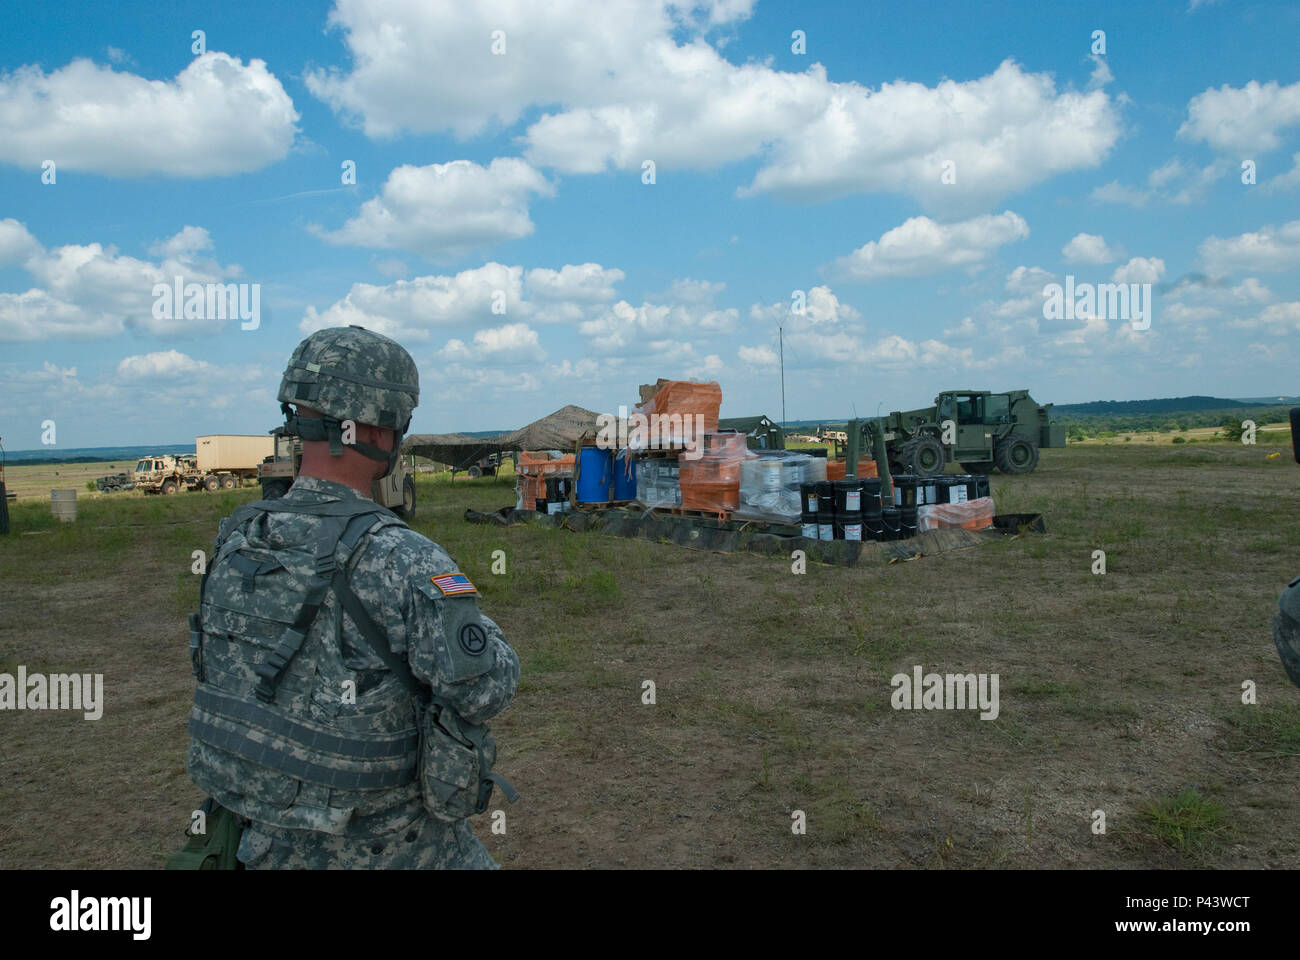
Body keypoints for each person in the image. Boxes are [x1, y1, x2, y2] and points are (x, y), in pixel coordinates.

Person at [185, 325, 519, 869]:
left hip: (261, 839)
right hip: (385, 845)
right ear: (376, 426)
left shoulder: (235, 537)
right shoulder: (401, 557)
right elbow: (485, 691)